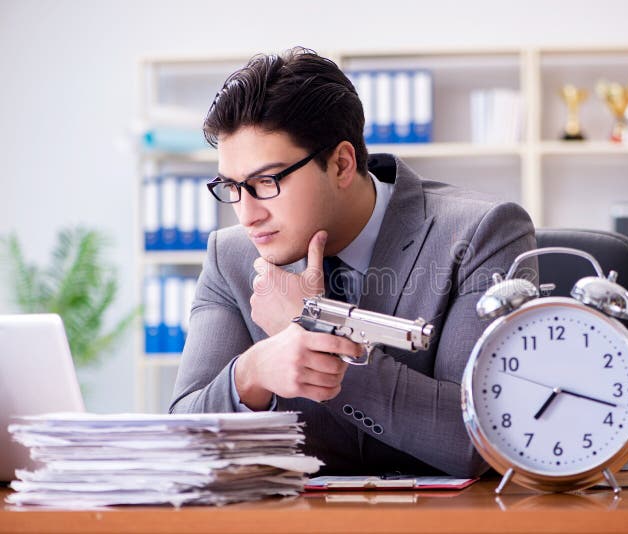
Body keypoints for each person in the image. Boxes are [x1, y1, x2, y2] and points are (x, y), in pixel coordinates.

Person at [169, 47, 537, 478]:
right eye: (231, 186)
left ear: (341, 164)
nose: (247, 214)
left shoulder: (484, 233)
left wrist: (314, 329)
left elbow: (480, 440)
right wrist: (250, 372)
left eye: (266, 182)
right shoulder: (230, 257)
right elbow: (182, 439)